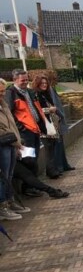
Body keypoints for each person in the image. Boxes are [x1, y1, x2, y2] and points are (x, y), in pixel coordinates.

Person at [5, 69, 45, 186]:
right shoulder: (11, 93)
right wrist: (21, 128)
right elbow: (10, 113)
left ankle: (34, 184)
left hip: (34, 130)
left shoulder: (29, 91)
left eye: (27, 79)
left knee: (34, 157)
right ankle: (29, 187)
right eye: (23, 80)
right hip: (25, 133)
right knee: (29, 160)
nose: (25, 82)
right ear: (14, 80)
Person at [32, 75, 73, 177]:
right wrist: (49, 110)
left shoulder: (46, 94)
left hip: (53, 124)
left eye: (46, 83)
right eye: (42, 83)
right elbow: (37, 111)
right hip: (45, 126)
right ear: (37, 84)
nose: (44, 85)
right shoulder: (36, 95)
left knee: (53, 147)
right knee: (49, 149)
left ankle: (54, 169)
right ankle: (51, 171)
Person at [0, 83, 24, 220]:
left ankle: (10, 201)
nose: (2, 94)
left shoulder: (4, 105)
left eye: (3, 91)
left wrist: (17, 143)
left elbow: (12, 125)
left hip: (11, 143)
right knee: (3, 177)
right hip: (2, 144)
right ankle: (3, 207)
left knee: (9, 175)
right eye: (0, 91)